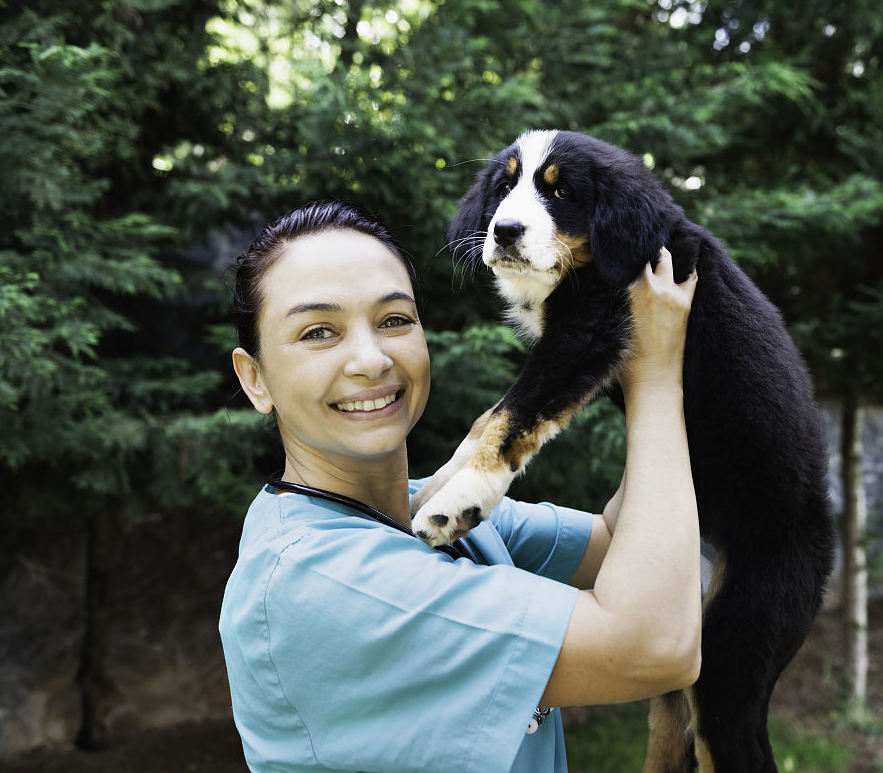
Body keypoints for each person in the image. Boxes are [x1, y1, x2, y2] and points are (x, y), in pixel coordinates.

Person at [219, 200, 701, 773]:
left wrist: (637, 350)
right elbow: (654, 644)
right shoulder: (320, 577)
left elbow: (630, 541)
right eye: (318, 332)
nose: (371, 360)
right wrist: (653, 375)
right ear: (255, 379)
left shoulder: (429, 511)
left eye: (395, 320)